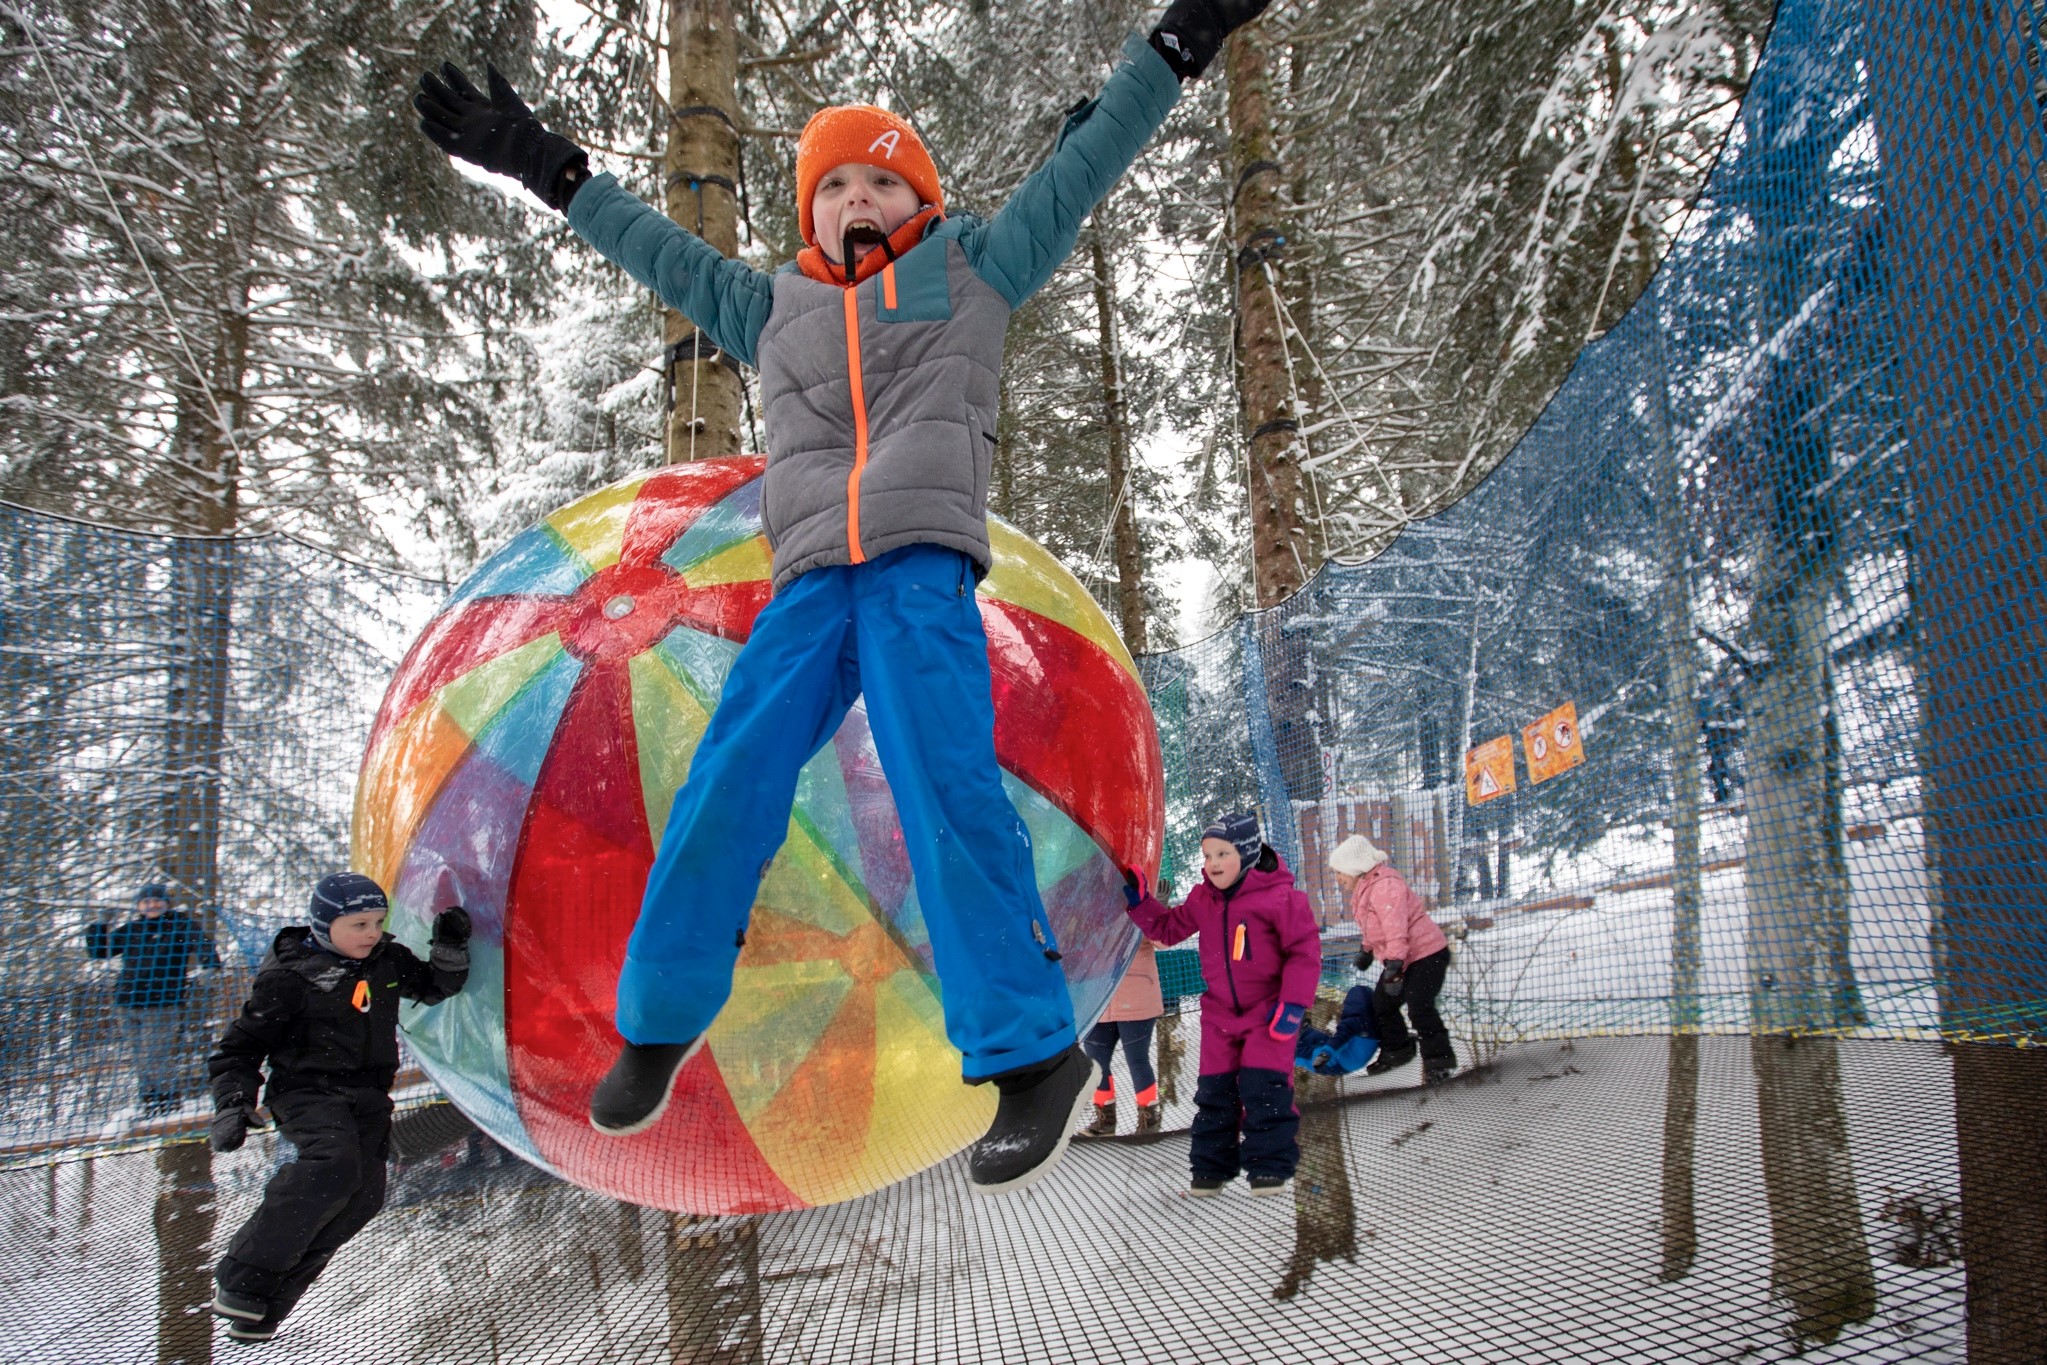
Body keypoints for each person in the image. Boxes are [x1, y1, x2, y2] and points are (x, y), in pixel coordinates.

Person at [413, 0, 1272, 1195]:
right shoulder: (773, 311)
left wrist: (1175, 47)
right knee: (727, 780)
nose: (855, 201)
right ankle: (659, 1020)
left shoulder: (973, 269)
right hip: (809, 583)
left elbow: (1084, 164)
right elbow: (653, 250)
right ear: (807, 212)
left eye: (880, 180)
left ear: (916, 200)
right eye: (833, 187)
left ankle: (1030, 1058)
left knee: (943, 787)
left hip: (921, 569)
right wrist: (548, 167)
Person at [206, 873, 470, 1343]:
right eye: (359, 924)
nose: (371, 933)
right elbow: (239, 1051)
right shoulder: (291, 977)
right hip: (307, 1093)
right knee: (334, 1166)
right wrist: (233, 1103)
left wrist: (449, 949)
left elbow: (431, 987)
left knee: (364, 1198)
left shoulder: (386, 959)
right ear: (324, 926)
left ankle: (263, 1306)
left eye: (377, 922)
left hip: (368, 1097)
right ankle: (241, 1276)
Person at [1121, 813, 1320, 1197]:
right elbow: (1166, 929)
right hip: (1219, 1017)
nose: (1212, 864)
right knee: (1215, 1091)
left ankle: (1268, 1168)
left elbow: (1304, 953)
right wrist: (1141, 903)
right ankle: (1211, 1170)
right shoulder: (1203, 899)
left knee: (1263, 1089)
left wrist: (1293, 1004)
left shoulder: (1281, 899)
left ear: (1246, 855)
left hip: (1268, 1014)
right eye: (1208, 855)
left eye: (1222, 854)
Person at [1328, 833, 1457, 1083]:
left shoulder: (1385, 886)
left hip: (1427, 954)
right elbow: (1375, 926)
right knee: (1382, 1004)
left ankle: (1438, 1060)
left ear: (1354, 869)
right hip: (1403, 957)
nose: (1338, 879)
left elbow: (1396, 929)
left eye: (1339, 872)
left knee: (1419, 1003)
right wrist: (1366, 950)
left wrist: (1394, 967)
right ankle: (1398, 1049)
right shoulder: (1365, 887)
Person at [85, 882, 223, 1115]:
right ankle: (149, 1102)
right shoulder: (133, 929)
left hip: (162, 1002)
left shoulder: (178, 925)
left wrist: (210, 966)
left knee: (155, 1056)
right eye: (146, 902)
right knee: (140, 1057)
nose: (152, 905)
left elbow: (203, 944)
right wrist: (100, 924)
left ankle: (168, 1101)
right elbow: (99, 951)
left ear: (166, 903)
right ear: (139, 906)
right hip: (127, 1002)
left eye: (157, 901)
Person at [1078, 936, 1164, 1140]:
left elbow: (1164, 940)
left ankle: (1149, 1118)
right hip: (1097, 1001)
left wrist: (1146, 912)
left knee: (1137, 1060)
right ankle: (1105, 1120)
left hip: (1136, 999)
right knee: (1095, 1064)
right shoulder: (1090, 913)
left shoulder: (1139, 906)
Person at [1292, 954, 1382, 1077]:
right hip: (1349, 1058)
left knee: (1304, 1053)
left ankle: (1285, 1052)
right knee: (1322, 1041)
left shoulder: (1353, 1022)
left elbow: (1339, 1039)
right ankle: (1304, 1033)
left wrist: (1326, 1054)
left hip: (1335, 1063)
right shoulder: (1373, 1020)